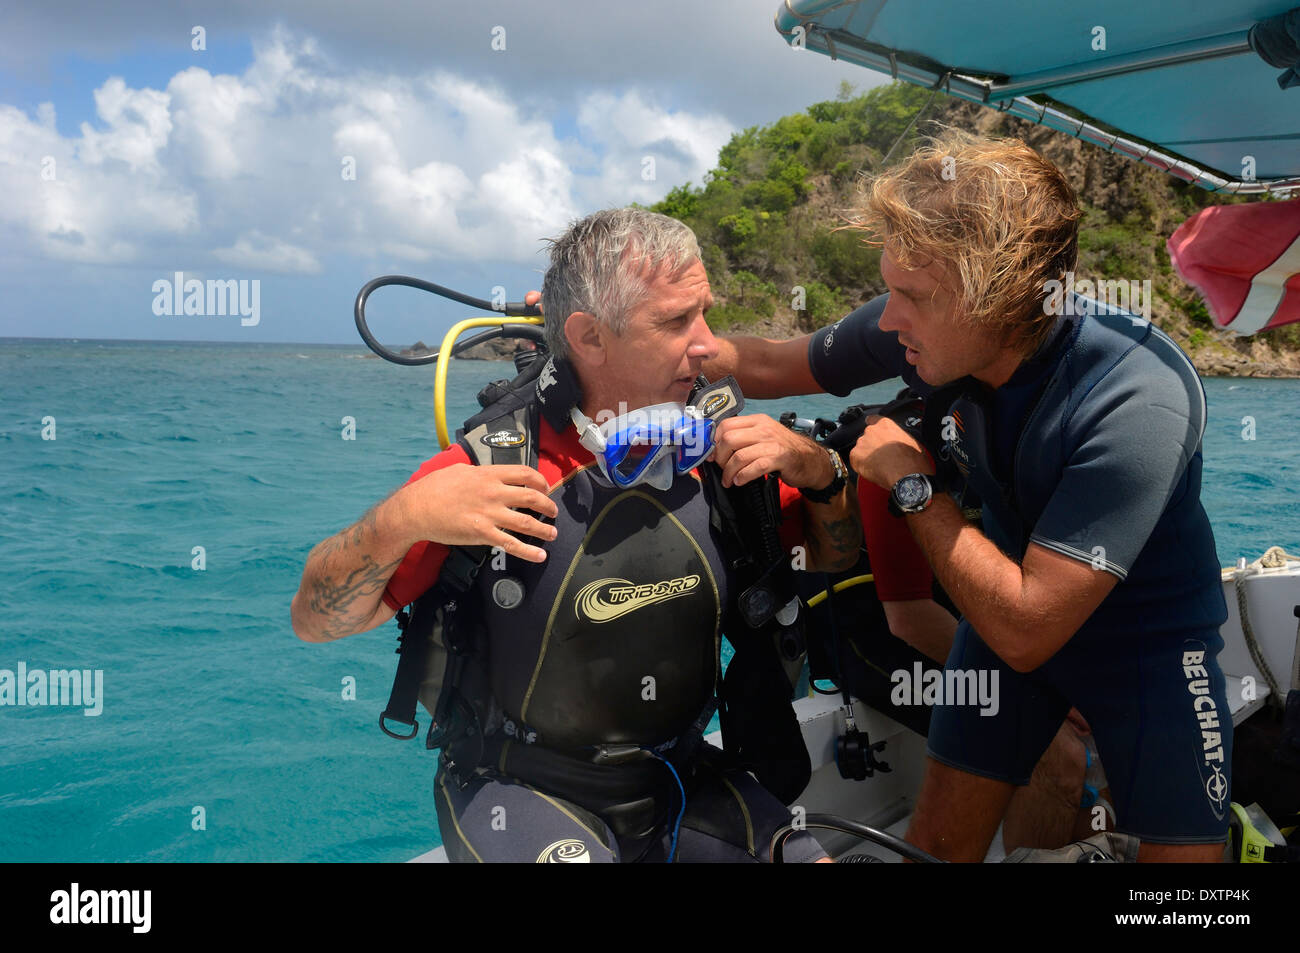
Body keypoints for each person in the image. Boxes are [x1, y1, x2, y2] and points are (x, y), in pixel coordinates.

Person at [705, 131, 1230, 862]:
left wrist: (911, 482)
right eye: (890, 287)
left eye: (910, 297)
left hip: (1145, 644)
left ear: (1003, 296)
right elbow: (763, 361)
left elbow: (1026, 629)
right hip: (1002, 596)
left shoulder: (1136, 397)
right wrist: (629, 340)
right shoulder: (928, 324)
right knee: (937, 847)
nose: (887, 319)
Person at [291, 207, 861, 862]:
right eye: (676, 321)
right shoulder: (491, 471)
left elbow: (836, 555)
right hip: (521, 788)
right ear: (589, 337)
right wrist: (401, 519)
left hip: (677, 774)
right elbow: (314, 619)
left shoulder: (718, 454)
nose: (708, 344)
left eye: (704, 312)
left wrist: (823, 473)